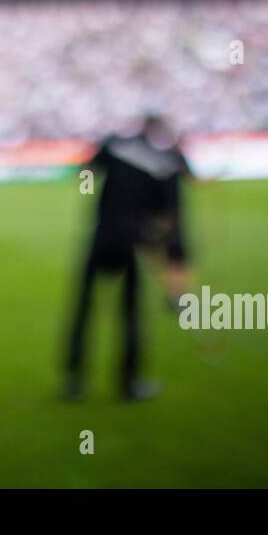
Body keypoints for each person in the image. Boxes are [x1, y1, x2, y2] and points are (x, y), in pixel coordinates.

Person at [63, 113, 191, 402]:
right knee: (130, 314)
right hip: (131, 244)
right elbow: (167, 218)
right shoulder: (165, 163)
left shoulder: (115, 145)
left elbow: (84, 171)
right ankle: (129, 383)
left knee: (83, 308)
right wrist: (152, 239)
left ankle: (74, 381)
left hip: (100, 236)